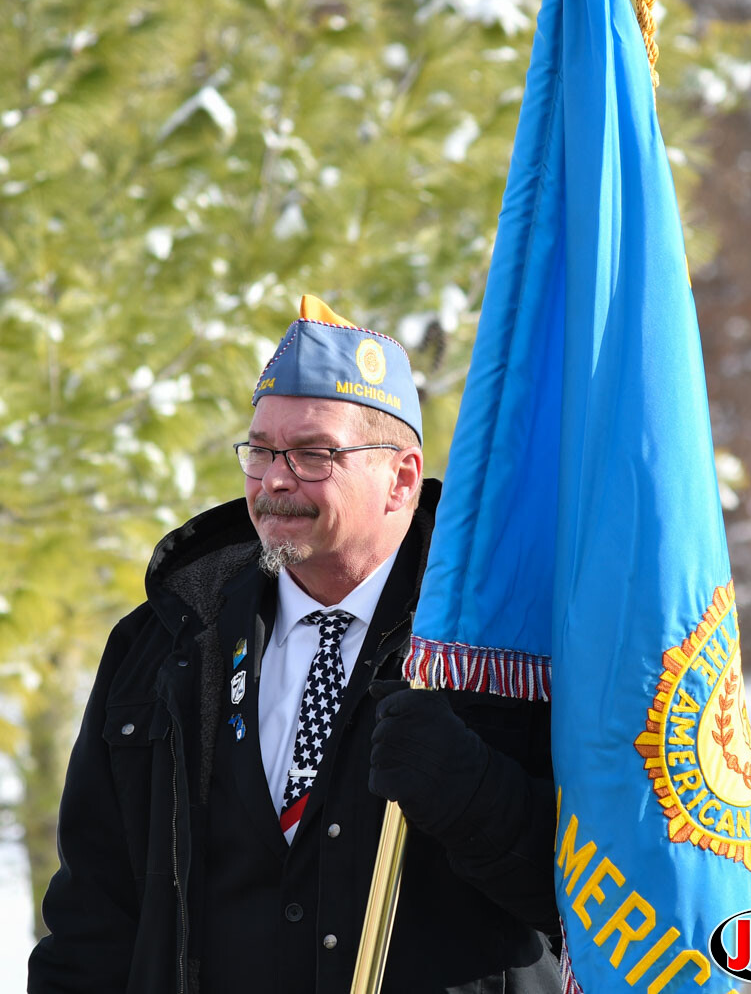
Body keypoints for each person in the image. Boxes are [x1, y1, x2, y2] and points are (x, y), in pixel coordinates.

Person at [29, 295, 560, 994]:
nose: (275, 479)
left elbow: (614, 892)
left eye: (313, 454)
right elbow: (91, 923)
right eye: (260, 452)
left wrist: (470, 794)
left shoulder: (504, 645)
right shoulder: (162, 643)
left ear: (401, 478)